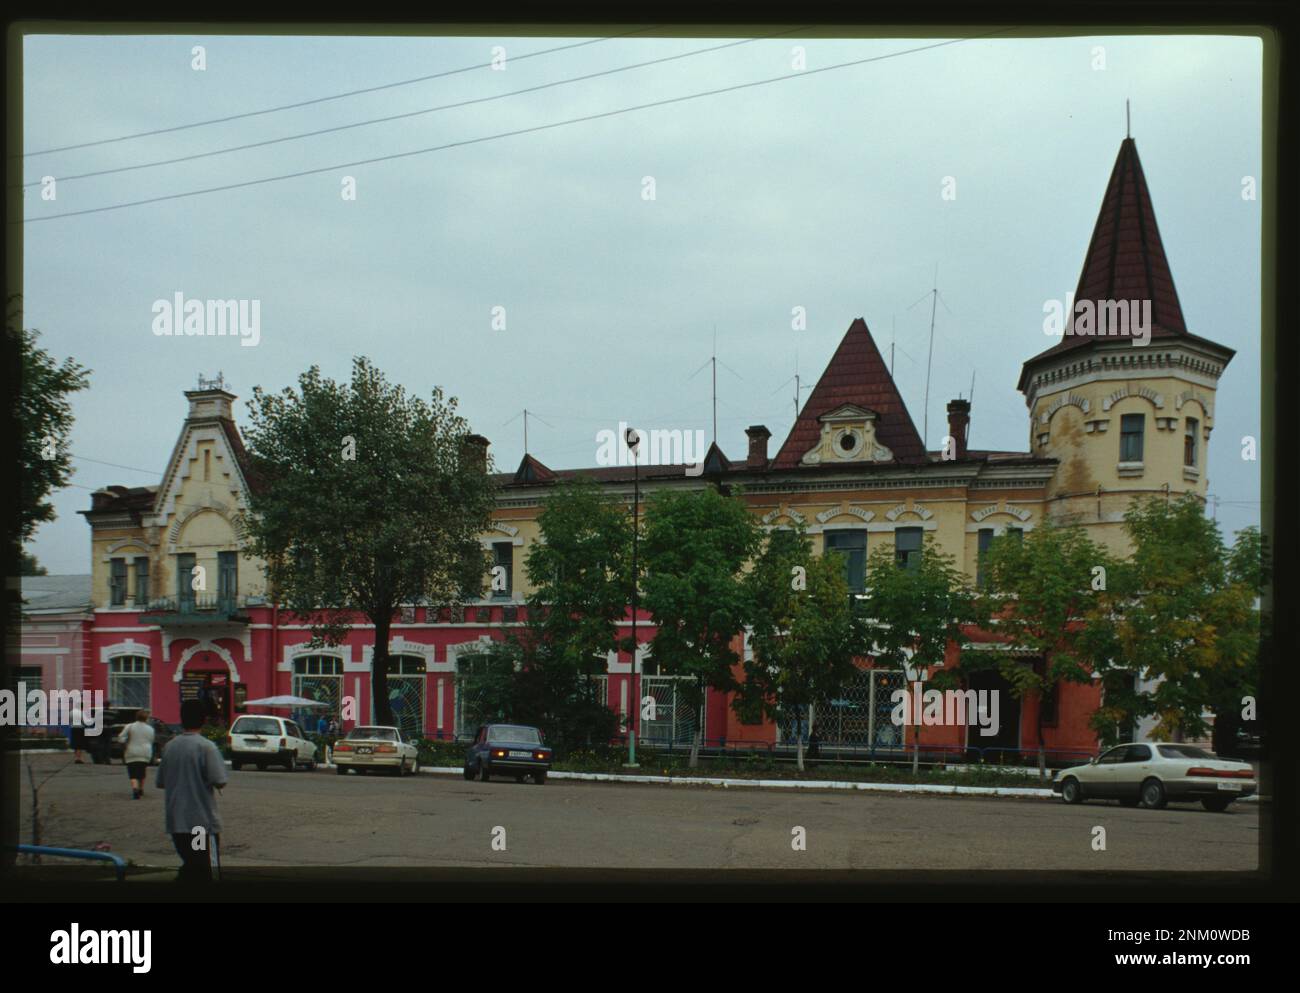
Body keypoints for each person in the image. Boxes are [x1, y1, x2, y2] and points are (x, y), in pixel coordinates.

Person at [155, 699, 228, 883]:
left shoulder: (170, 746)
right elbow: (220, 780)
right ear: (203, 719)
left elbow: (161, 781)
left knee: (191, 866)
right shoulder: (206, 747)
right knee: (208, 872)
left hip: (176, 822)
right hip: (200, 822)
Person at [117, 709, 156, 799]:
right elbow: (151, 740)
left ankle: (135, 788)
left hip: (132, 751)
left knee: (133, 772)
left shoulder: (130, 726)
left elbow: (121, 737)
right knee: (142, 771)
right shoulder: (150, 729)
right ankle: (141, 789)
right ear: (146, 718)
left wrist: (124, 743)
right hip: (145, 752)